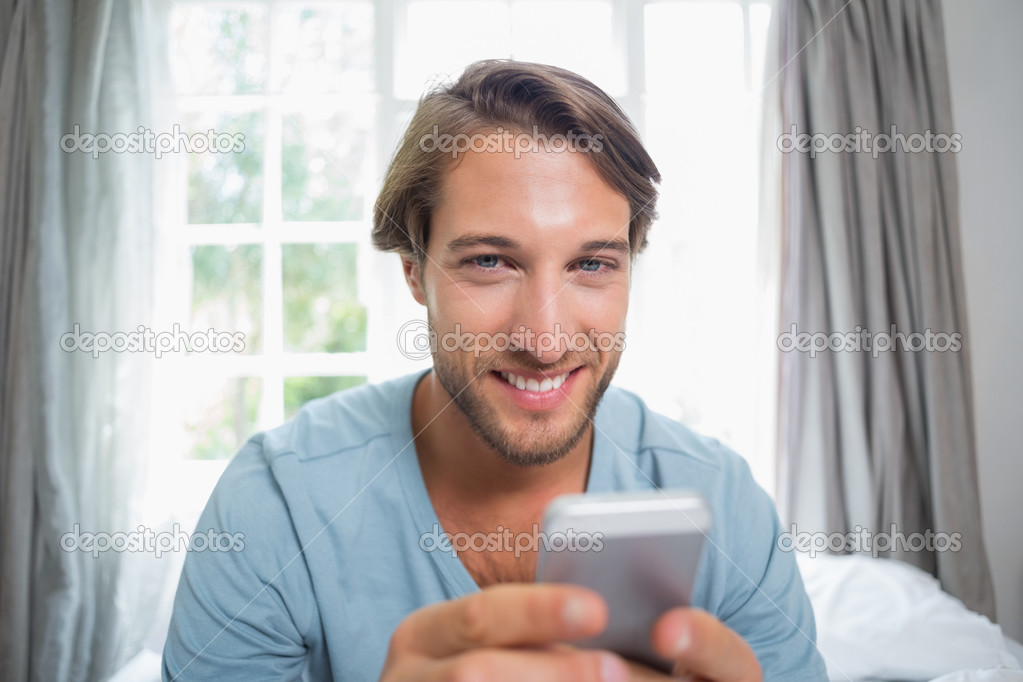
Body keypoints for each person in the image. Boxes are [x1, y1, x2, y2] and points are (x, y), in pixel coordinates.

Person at [162, 59, 828, 682]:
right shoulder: (274, 506)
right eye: (489, 261)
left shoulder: (725, 507)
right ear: (414, 270)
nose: (543, 339)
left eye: (591, 264)